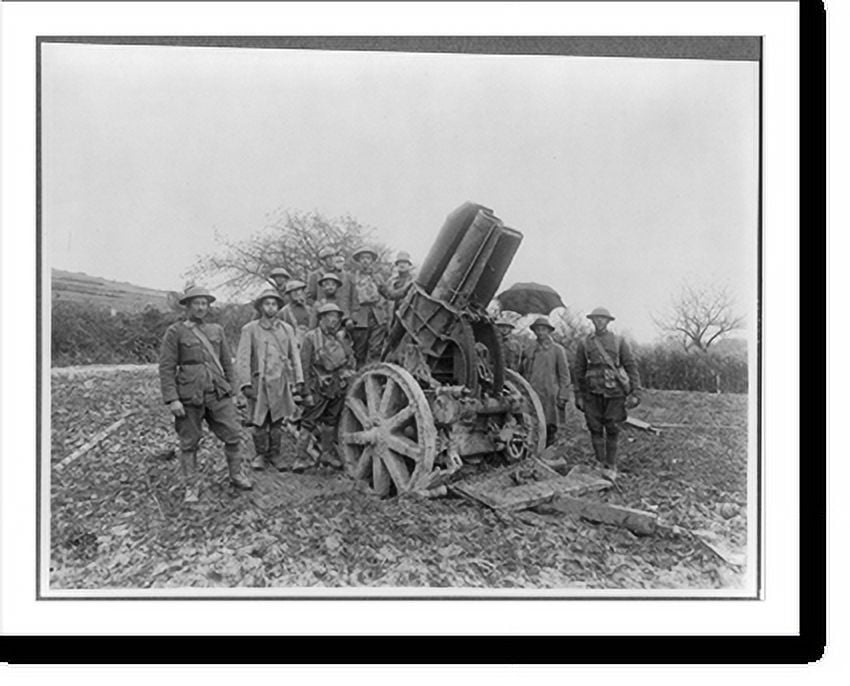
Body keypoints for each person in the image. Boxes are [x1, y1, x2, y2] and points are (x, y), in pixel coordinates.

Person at [158, 285, 252, 503]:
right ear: (188, 307)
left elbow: (228, 364)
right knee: (189, 442)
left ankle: (236, 474)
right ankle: (191, 485)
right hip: (189, 395)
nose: (201, 308)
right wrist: (172, 399)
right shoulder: (175, 332)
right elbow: (167, 367)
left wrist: (235, 391)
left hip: (218, 392)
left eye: (204, 304)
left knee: (233, 434)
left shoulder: (216, 330)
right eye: (196, 304)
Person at [236, 289, 304, 472]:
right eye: (267, 304)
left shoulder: (286, 329)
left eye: (274, 304)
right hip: (259, 381)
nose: (270, 307)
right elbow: (242, 359)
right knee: (259, 421)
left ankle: (275, 454)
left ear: (278, 307)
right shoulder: (250, 329)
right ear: (260, 307)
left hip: (280, 380)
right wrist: (245, 384)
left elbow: (295, 356)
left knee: (277, 421)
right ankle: (260, 454)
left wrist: (299, 380)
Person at [572, 307, 642, 480]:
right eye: (596, 319)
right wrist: (578, 395)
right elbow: (578, 371)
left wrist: (636, 391)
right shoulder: (584, 343)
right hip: (592, 392)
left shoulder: (619, 341)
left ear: (608, 321)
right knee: (594, 428)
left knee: (612, 427)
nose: (599, 322)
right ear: (592, 321)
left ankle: (611, 465)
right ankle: (600, 463)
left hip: (615, 392)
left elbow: (631, 366)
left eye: (603, 319)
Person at [293, 303, 356, 472]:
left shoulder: (340, 338)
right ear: (321, 318)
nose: (333, 320)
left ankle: (327, 454)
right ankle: (300, 458)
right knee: (308, 422)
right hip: (317, 387)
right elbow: (303, 366)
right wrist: (305, 391)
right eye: (329, 316)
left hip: (336, 387)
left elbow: (349, 361)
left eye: (336, 317)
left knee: (331, 422)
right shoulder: (310, 338)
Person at [521, 316, 572, 448]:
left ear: (549, 331)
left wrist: (563, 394)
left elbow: (564, 375)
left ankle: (548, 451)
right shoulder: (529, 349)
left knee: (550, 425)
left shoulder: (557, 350)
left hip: (550, 393)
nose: (541, 332)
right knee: (532, 423)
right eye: (538, 329)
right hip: (532, 392)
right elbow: (522, 371)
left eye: (544, 329)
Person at [349, 246, 389, 367]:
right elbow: (346, 298)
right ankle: (359, 378)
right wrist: (347, 318)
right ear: (358, 261)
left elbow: (388, 293)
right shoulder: (351, 277)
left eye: (368, 258)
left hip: (377, 317)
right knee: (359, 351)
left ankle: (373, 378)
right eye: (362, 258)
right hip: (360, 318)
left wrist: (406, 290)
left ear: (372, 261)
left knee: (376, 350)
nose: (365, 261)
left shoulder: (377, 277)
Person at [279, 279, 311, 345]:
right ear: (289, 294)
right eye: (295, 291)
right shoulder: (283, 313)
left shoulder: (309, 310)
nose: (298, 293)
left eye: (300, 290)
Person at [385, 250, 415, 315]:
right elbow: (387, 296)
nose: (402, 264)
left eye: (405, 262)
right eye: (399, 262)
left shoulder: (413, 281)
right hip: (392, 312)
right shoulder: (391, 280)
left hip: (408, 313)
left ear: (409, 265)